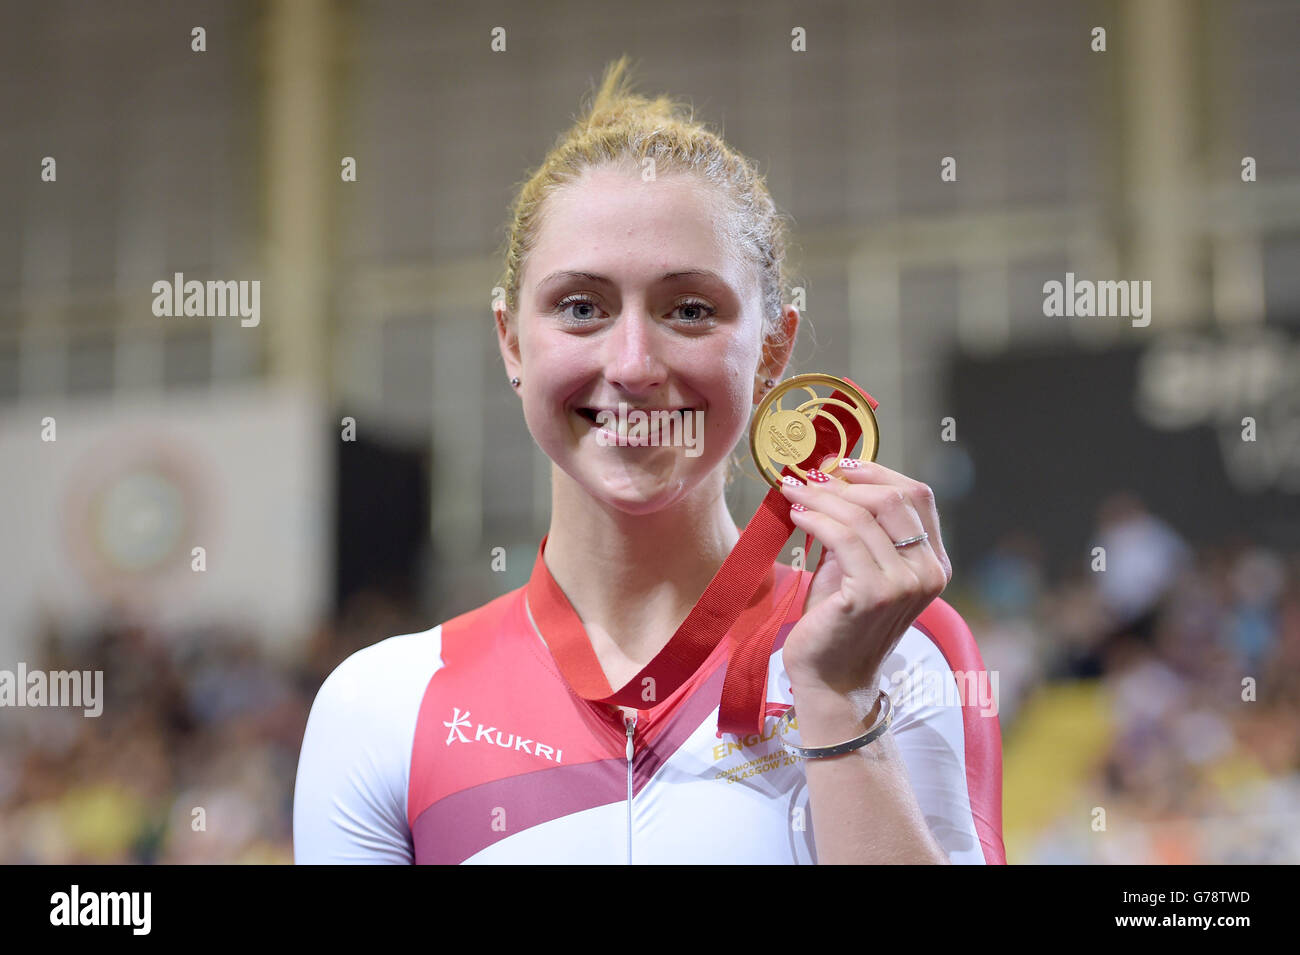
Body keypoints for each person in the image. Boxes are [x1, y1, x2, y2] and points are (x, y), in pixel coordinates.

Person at [293, 57, 1005, 865]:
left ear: (773, 348)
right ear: (510, 340)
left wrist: (839, 702)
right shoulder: (384, 705)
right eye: (582, 307)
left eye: (690, 309)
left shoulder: (904, 648)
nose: (633, 363)